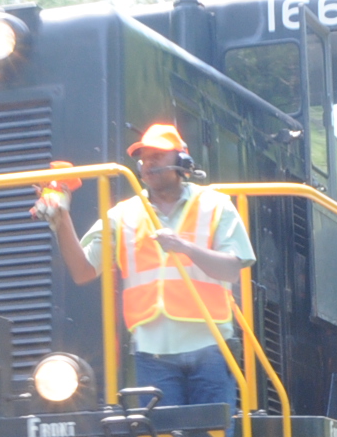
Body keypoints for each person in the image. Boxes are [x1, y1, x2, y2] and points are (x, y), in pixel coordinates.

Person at [31, 122, 254, 409]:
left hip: (210, 349)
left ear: (182, 161)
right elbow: (83, 270)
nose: (149, 163)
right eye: (144, 158)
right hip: (152, 355)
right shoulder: (124, 215)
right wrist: (61, 219)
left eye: (158, 156)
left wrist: (185, 247)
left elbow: (231, 270)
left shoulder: (216, 205)